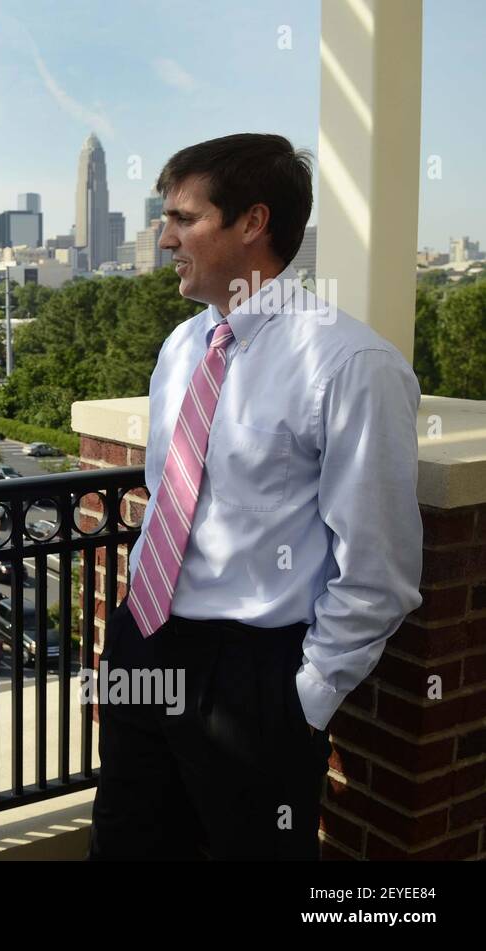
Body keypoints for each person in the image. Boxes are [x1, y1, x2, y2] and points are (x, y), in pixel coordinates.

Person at [88, 133, 422, 860]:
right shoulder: (181, 348)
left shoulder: (351, 365)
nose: (164, 236)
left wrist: (303, 701)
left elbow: (379, 570)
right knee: (124, 844)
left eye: (183, 217)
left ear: (252, 222)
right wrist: (126, 644)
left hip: (252, 677)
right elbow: (168, 500)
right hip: (146, 644)